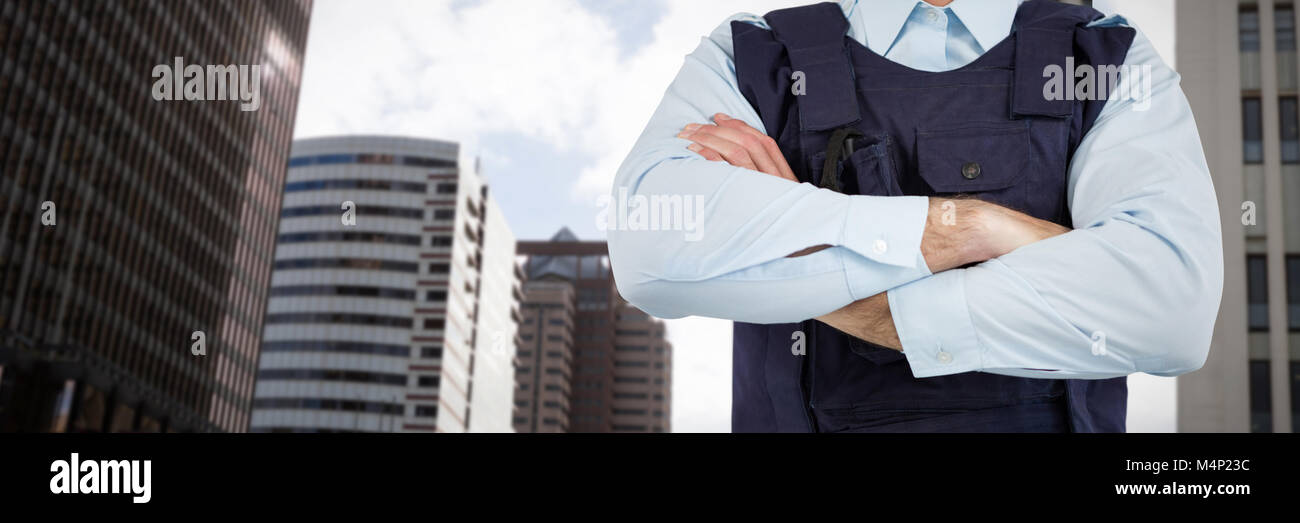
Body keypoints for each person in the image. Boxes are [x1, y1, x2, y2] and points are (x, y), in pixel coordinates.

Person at [607, 0, 1223, 432]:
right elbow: (649, 249)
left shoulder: (1104, 54)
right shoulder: (752, 52)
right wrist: (970, 230)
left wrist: (790, 246)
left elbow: (1170, 313)